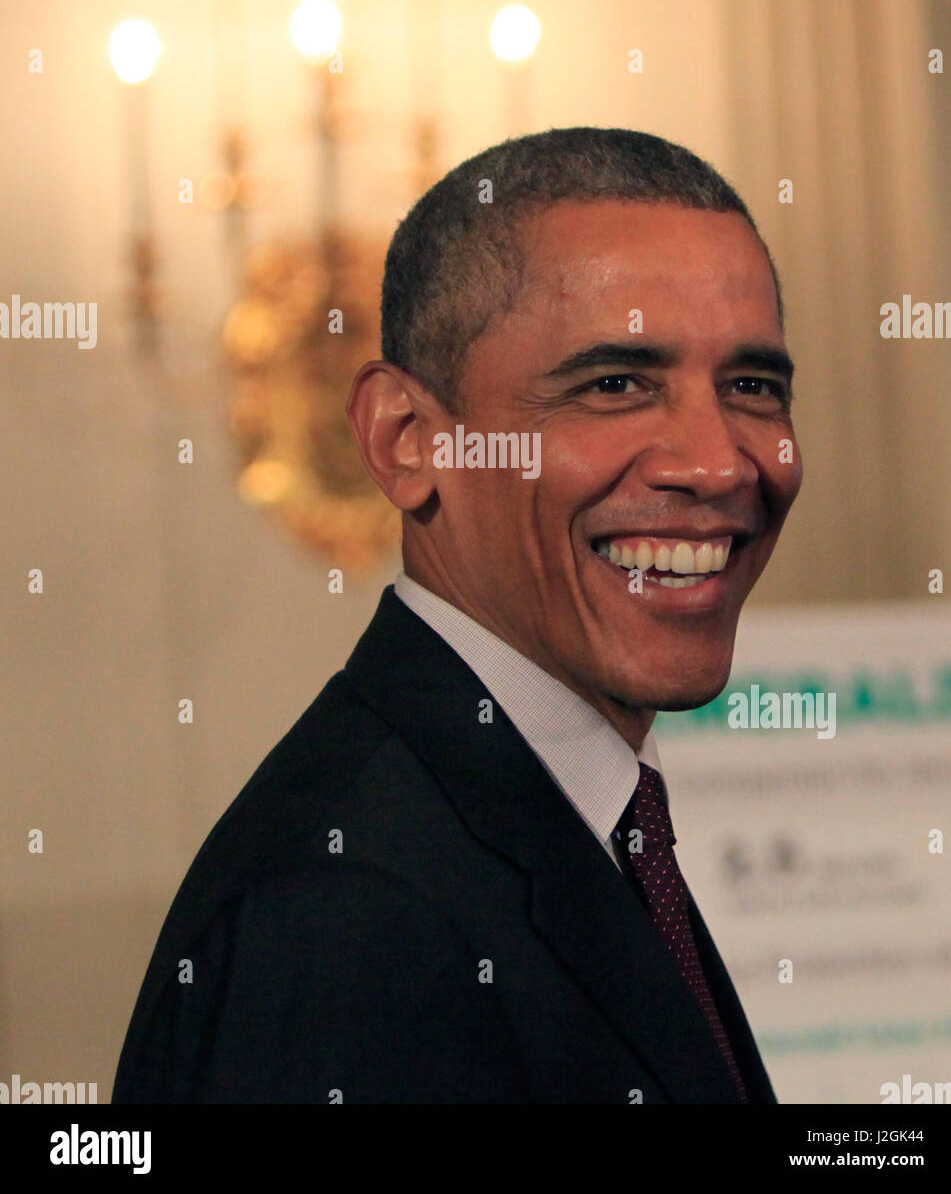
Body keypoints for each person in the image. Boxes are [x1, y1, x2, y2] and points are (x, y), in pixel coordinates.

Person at [113, 127, 801, 1104]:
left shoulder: (581, 818)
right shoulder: (339, 917)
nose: (718, 461)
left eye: (750, 386)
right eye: (615, 384)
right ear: (405, 441)